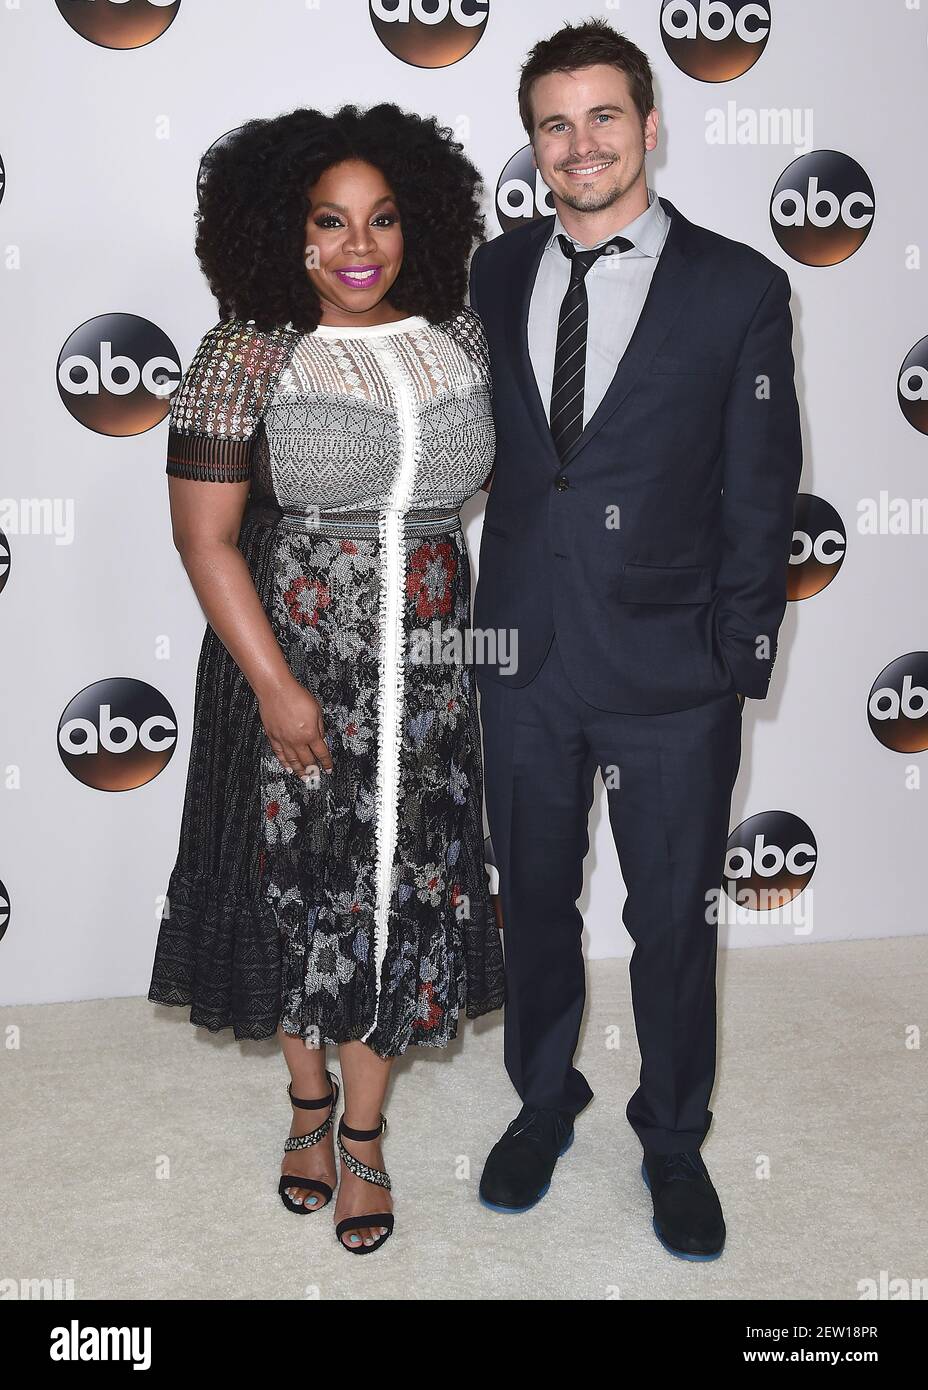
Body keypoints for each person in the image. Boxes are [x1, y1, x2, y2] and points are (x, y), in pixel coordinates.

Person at [468, 20, 802, 1259]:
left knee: (671, 920)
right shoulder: (496, 273)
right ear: (536, 145)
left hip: (673, 675)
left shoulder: (738, 287)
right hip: (523, 664)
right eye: (554, 124)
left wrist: (735, 661)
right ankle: (543, 1102)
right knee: (537, 905)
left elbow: (763, 492)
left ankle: (671, 1138)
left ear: (650, 126)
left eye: (603, 117)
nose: (579, 144)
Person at [148, 103, 504, 1255]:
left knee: (403, 895)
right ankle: (306, 1109)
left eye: (385, 217)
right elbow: (205, 539)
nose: (361, 245)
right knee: (301, 892)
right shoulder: (245, 350)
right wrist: (276, 688)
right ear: (283, 231)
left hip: (434, 677)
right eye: (329, 221)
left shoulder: (461, 333)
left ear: (421, 223)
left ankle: (362, 1132)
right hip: (296, 668)